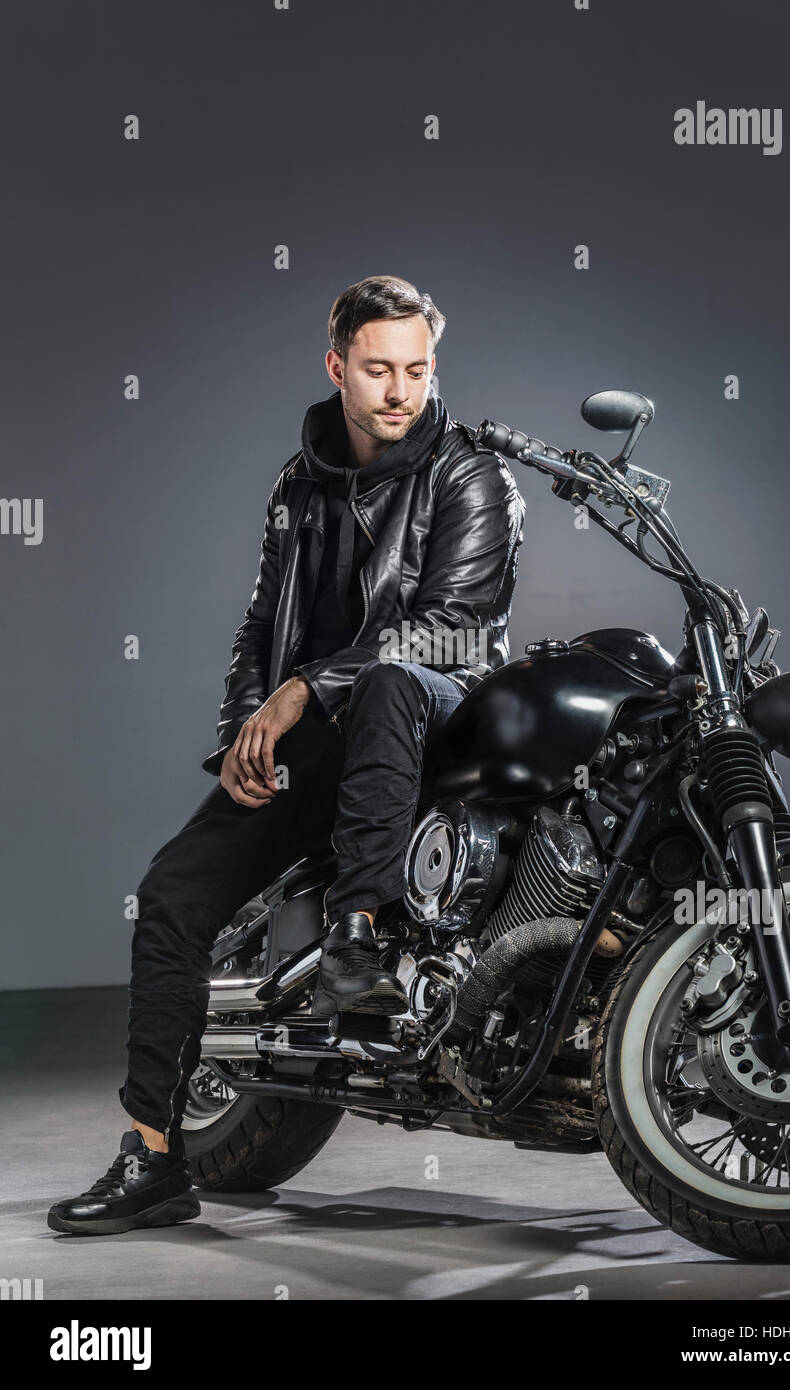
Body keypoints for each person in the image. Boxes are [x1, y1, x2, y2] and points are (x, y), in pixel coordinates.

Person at [46, 274, 526, 1234]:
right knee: (174, 899)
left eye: (419, 370)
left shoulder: (471, 473)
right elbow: (262, 626)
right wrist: (243, 736)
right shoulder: (298, 482)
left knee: (390, 679)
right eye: (380, 369)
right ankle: (151, 1159)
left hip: (437, 717)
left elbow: (451, 627)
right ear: (337, 367)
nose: (400, 390)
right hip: (322, 738)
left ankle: (359, 931)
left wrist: (307, 687)